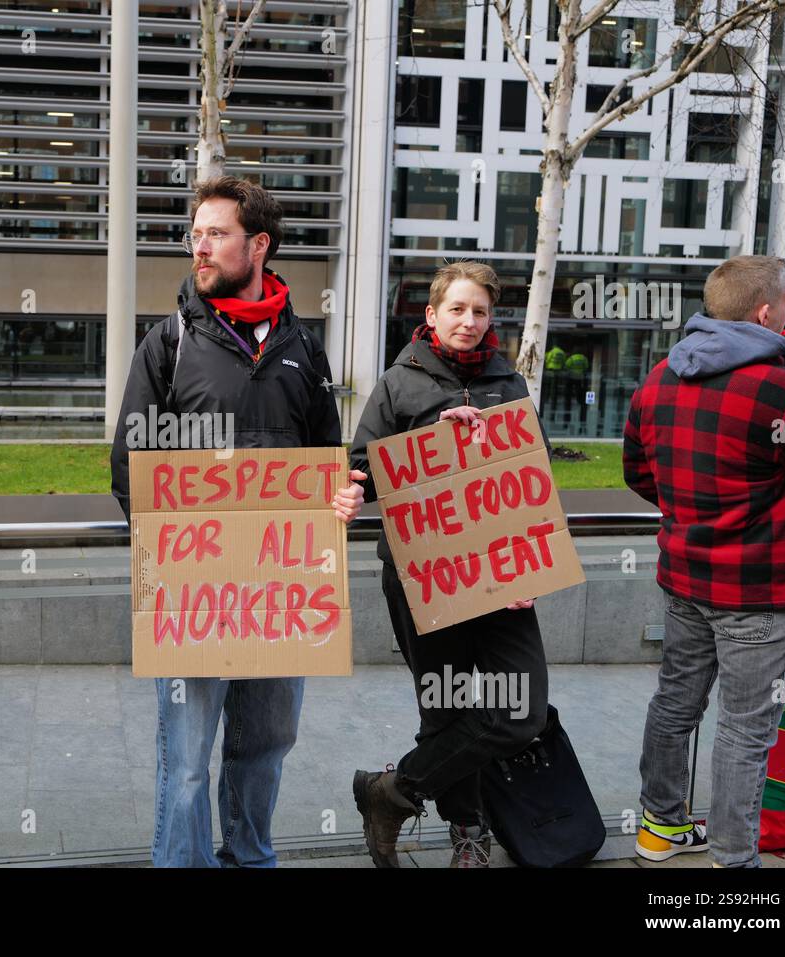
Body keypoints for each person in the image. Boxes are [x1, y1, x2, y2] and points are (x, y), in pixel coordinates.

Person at [109, 176, 358, 867]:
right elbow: (132, 459)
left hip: (284, 586)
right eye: (195, 233)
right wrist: (176, 552)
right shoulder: (170, 342)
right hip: (196, 589)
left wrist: (341, 498)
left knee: (265, 748)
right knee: (186, 761)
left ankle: (251, 857)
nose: (200, 246)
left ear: (259, 245)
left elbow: (327, 460)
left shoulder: (304, 347)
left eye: (215, 233)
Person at [624, 254, 785, 867]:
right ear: (767, 313)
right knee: (747, 729)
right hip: (761, 598)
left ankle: (658, 829)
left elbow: (641, 473)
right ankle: (734, 864)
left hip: (685, 581)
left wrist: (697, 512)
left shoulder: (660, 378)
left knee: (675, 703)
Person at [345, 261, 549, 868]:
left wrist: (529, 569)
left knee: (520, 711)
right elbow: (363, 472)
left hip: (502, 579)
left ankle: (392, 790)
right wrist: (434, 437)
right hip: (421, 576)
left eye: (480, 311)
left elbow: (531, 480)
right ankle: (468, 833)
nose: (469, 321)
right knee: (446, 707)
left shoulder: (510, 383)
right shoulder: (397, 384)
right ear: (431, 315)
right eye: (457, 309)